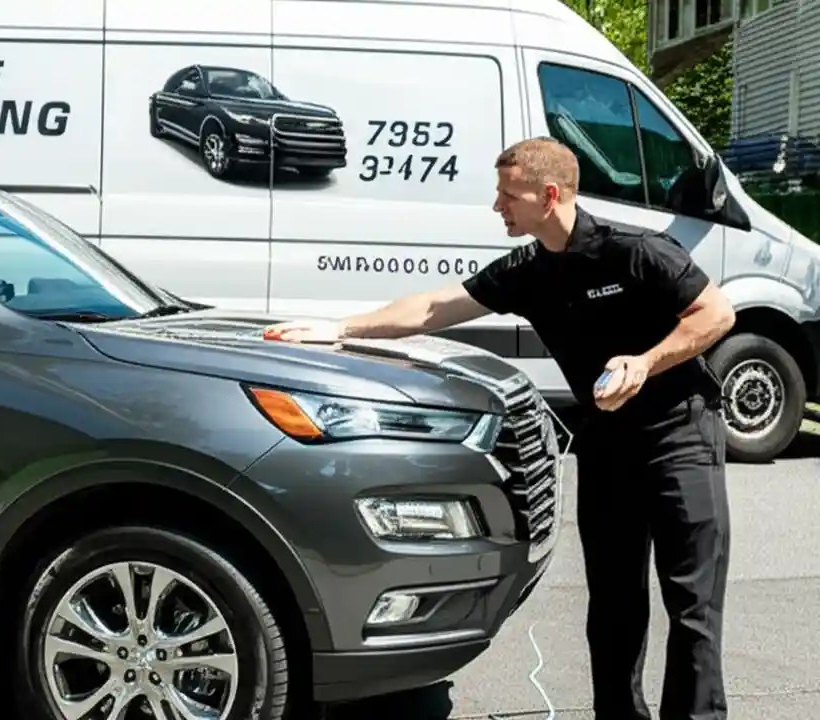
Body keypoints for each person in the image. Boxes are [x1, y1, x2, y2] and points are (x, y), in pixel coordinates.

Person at [263, 136, 736, 720]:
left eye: (508, 195)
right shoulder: (530, 270)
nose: (498, 207)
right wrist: (340, 329)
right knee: (613, 603)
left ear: (550, 194)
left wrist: (644, 362)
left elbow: (717, 314)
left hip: (678, 435)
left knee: (691, 603)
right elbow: (436, 308)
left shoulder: (637, 252)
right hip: (607, 441)